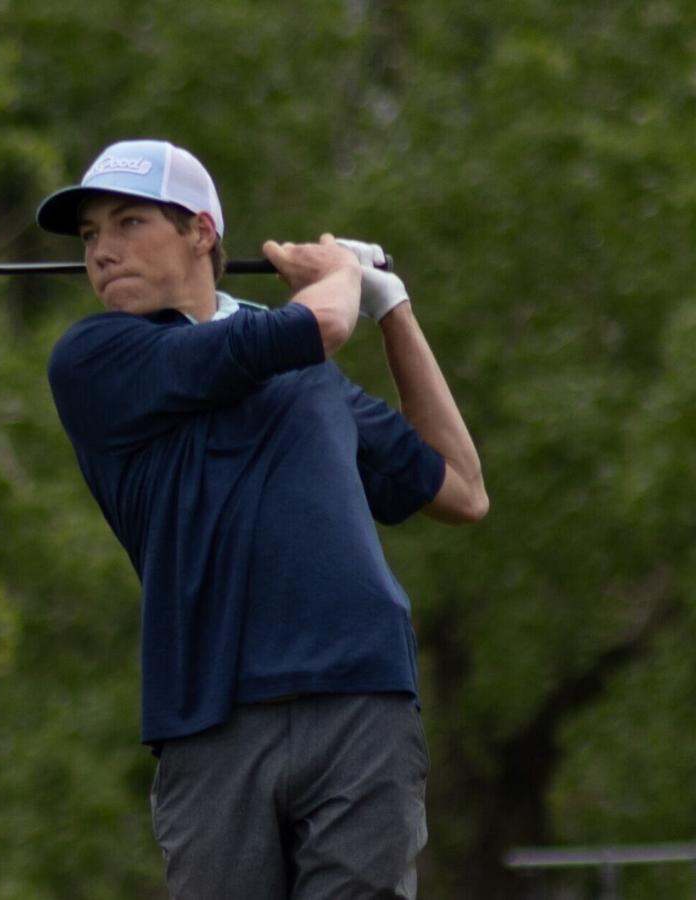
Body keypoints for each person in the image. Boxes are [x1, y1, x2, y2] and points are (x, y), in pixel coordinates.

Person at [36, 138, 488, 899]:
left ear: (201, 232)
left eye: (128, 222)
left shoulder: (306, 374)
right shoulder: (98, 356)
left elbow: (462, 490)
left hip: (359, 699)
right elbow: (312, 328)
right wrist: (342, 278)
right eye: (90, 236)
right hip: (210, 717)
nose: (103, 251)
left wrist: (393, 306)